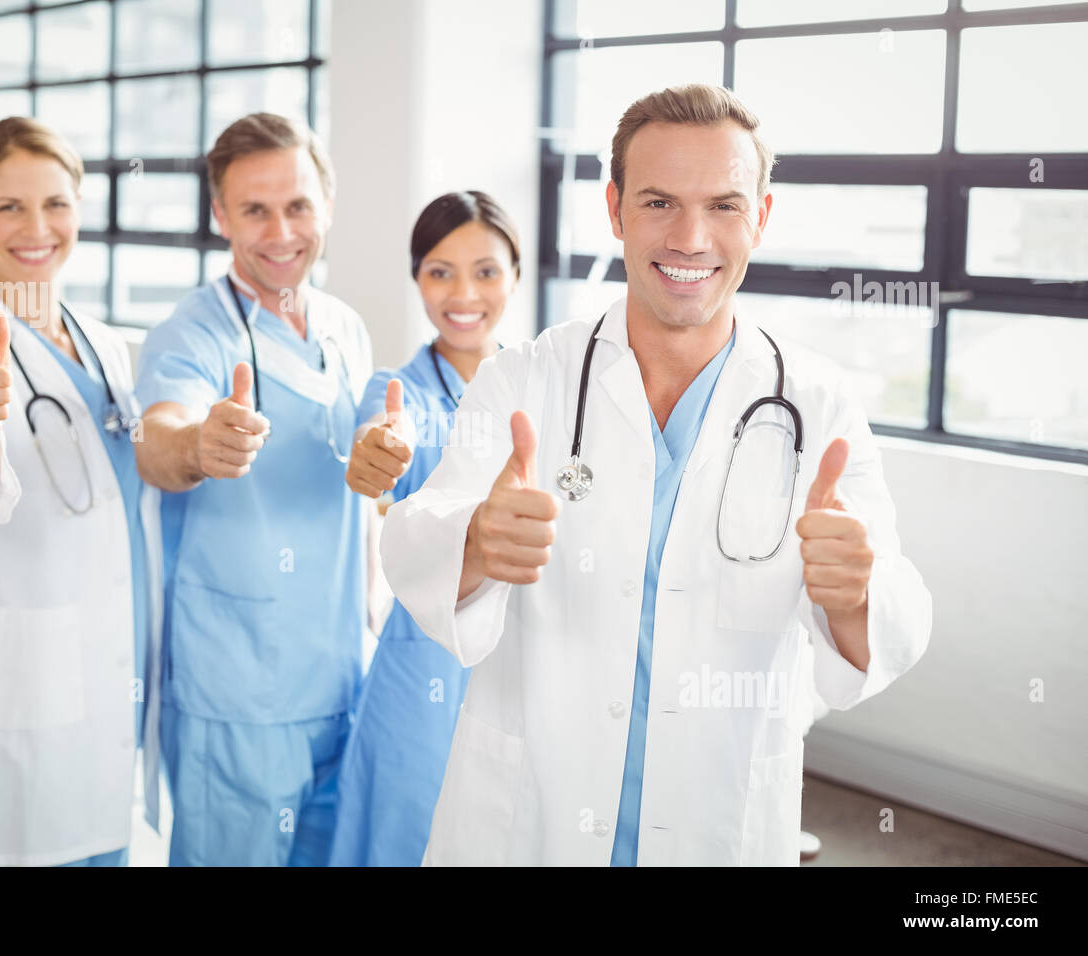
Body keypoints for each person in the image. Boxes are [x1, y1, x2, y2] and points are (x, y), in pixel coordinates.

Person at [381, 84, 933, 866]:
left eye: (724, 206)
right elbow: (410, 542)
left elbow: (897, 619)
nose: (691, 236)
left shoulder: (817, 406)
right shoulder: (525, 381)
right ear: (614, 210)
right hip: (530, 823)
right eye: (658, 202)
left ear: (762, 218)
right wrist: (474, 539)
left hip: (717, 824)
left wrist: (855, 593)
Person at [0, 117, 161, 866]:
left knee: (102, 837)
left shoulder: (108, 344)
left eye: (56, 204)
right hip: (25, 682)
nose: (36, 228)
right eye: (9, 206)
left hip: (119, 652)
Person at [134, 112, 372, 867]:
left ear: (327, 204)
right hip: (236, 691)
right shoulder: (194, 333)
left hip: (338, 676)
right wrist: (199, 445)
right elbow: (158, 437)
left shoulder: (344, 329)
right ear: (220, 216)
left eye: (298, 205)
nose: (280, 231)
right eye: (254, 210)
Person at [330, 192, 520, 866]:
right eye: (440, 272)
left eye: (486, 272)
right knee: (404, 839)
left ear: (517, 276)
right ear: (417, 279)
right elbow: (377, 451)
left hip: (523, 663)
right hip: (423, 680)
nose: (463, 294)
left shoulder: (544, 388)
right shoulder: (398, 393)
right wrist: (378, 455)